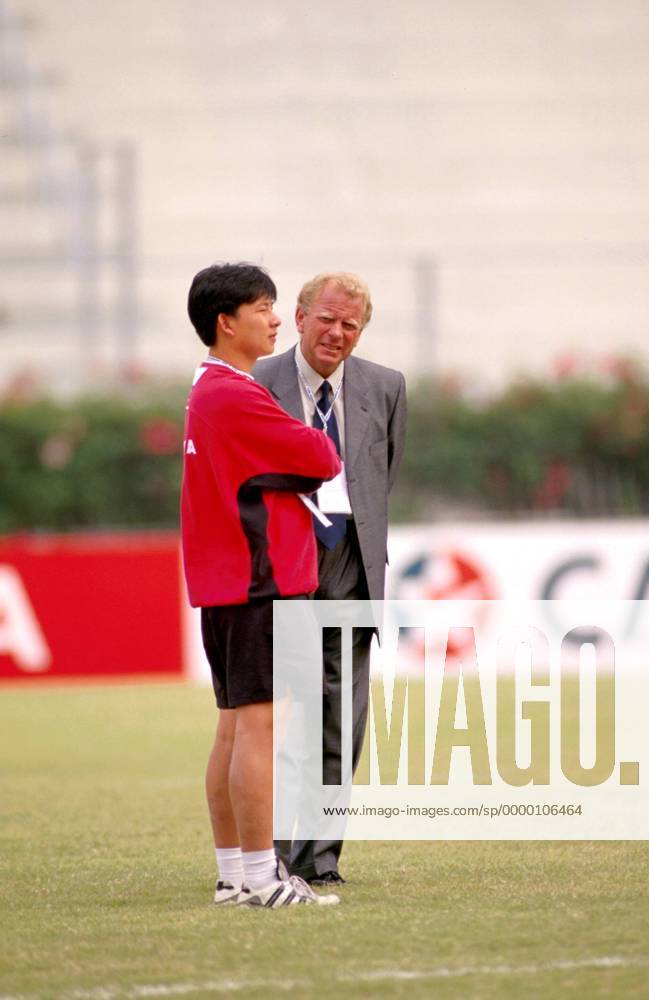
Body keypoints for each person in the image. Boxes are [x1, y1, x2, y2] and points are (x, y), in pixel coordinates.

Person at [180, 262, 342, 908]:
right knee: (258, 731)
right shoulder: (234, 393)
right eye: (264, 307)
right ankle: (260, 876)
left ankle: (236, 876)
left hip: (231, 586)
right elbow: (323, 458)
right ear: (227, 322)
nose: (277, 319)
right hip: (259, 584)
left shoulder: (207, 388)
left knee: (233, 730)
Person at [254, 271, 407, 884]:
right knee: (292, 720)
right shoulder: (257, 382)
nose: (337, 333)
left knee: (343, 720)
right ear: (298, 317)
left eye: (351, 324)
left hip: (352, 567)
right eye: (328, 319)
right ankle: (282, 855)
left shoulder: (387, 386)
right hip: (284, 573)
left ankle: (322, 859)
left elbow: (382, 475)